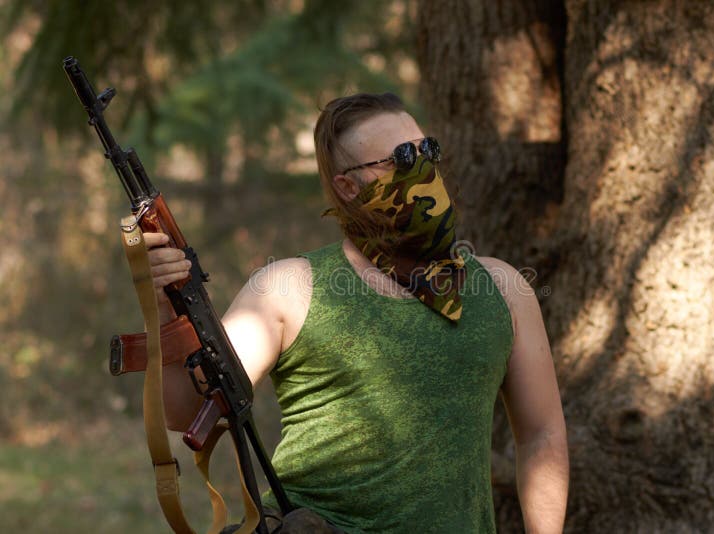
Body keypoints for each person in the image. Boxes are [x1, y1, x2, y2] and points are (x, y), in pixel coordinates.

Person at [145, 93, 569, 533]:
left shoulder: (502, 288)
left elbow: (542, 435)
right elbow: (184, 413)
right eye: (401, 158)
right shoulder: (289, 287)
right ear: (349, 187)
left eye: (428, 151)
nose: (423, 168)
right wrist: (164, 310)